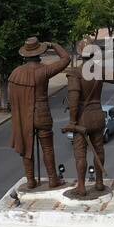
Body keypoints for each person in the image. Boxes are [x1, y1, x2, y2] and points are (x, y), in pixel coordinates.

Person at [64, 40, 114, 196]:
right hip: (98, 115)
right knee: (99, 150)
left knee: (80, 154)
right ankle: (99, 183)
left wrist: (72, 122)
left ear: (80, 55)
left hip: (82, 118)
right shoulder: (99, 71)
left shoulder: (75, 73)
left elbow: (73, 99)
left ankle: (81, 186)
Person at [8, 37, 70, 189]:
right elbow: (66, 58)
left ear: (25, 55)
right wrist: (52, 44)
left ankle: (30, 180)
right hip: (42, 114)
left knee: (26, 147)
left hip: (24, 116)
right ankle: (52, 179)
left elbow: (12, 99)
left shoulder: (15, 73)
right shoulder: (44, 71)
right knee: (47, 148)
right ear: (40, 53)